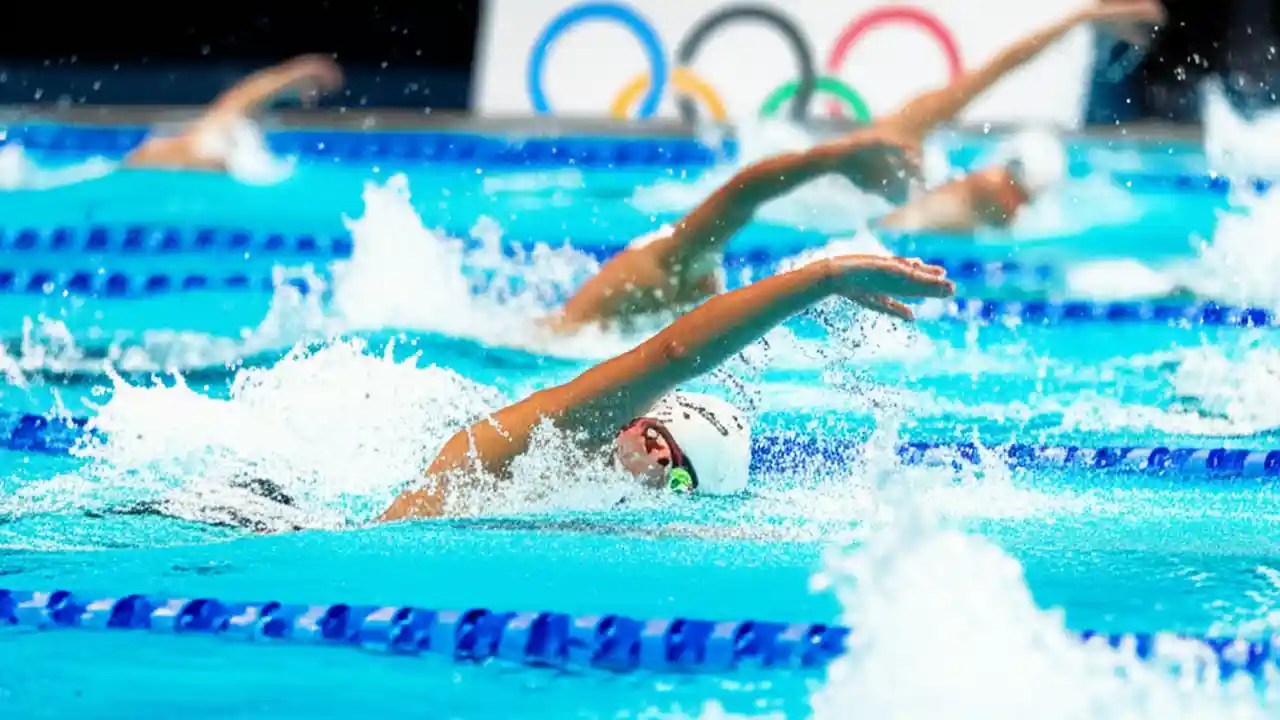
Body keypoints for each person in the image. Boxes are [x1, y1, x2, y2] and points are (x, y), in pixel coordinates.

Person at [379, 252, 955, 521]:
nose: (665, 485)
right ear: (652, 434)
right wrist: (821, 280)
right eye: (676, 473)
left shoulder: (561, 493)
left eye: (682, 487)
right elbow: (674, 354)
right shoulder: (549, 440)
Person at [876, 0, 1166, 233]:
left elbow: (1006, 62)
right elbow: (1006, 62)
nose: (1012, 210)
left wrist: (1082, 17)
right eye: (1017, 197)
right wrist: (1082, 17)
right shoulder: (907, 135)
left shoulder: (916, 156)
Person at [122, 54, 343, 171]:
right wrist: (301, 70)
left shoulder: (224, 132)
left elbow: (246, 94)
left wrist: (300, 72)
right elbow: (244, 94)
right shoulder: (213, 134)